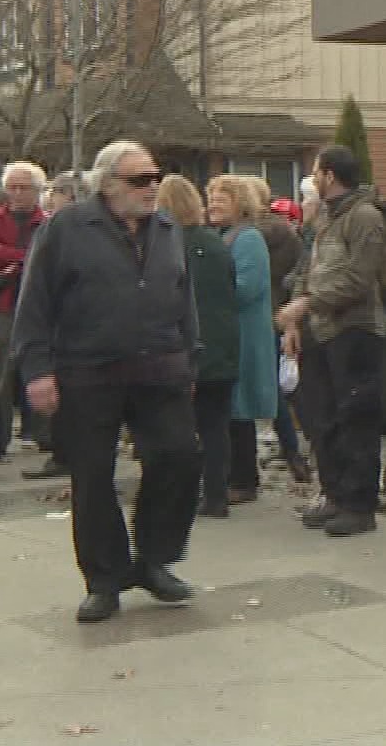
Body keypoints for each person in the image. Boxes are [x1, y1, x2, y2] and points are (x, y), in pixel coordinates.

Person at [12, 142, 201, 623]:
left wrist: (189, 360)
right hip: (87, 371)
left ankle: (153, 559)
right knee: (93, 476)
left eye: (155, 177)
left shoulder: (166, 229)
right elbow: (34, 303)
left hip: (160, 368)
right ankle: (104, 579)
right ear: (108, 184)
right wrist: (37, 370)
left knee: (178, 456)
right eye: (140, 180)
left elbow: (185, 298)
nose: (152, 187)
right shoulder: (66, 229)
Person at [278, 146, 386, 537]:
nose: (312, 179)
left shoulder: (365, 218)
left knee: (356, 417)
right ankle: (335, 494)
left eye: (316, 172)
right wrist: (295, 320)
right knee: (323, 417)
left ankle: (360, 506)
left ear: (330, 175)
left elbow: (359, 278)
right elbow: (306, 271)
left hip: (355, 330)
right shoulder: (325, 217)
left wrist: (307, 304)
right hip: (320, 330)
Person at [157, 175, 241, 520]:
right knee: (216, 426)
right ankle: (217, 494)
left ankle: (185, 493)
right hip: (223, 345)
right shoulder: (217, 243)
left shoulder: (168, 246)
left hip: (185, 348)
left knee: (181, 429)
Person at [203, 176, 278, 512]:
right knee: (231, 408)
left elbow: (247, 287)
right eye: (211, 198)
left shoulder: (248, 239)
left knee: (240, 408)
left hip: (245, 334)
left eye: (222, 199)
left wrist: (211, 295)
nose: (214, 204)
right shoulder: (221, 237)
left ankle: (244, 480)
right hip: (228, 333)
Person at [0, 163, 54, 475]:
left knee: (41, 369)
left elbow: (49, 258)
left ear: (37, 190)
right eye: (11, 187)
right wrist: (26, 257)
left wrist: (9, 258)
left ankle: (45, 434)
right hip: (4, 305)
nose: (16, 193)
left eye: (23, 187)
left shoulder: (48, 223)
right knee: (1, 374)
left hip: (41, 308)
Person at [250, 185, 308, 488]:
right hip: (281, 314)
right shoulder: (289, 236)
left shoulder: (248, 236)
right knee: (279, 389)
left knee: (262, 388)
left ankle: (280, 452)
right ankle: (294, 451)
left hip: (261, 317)